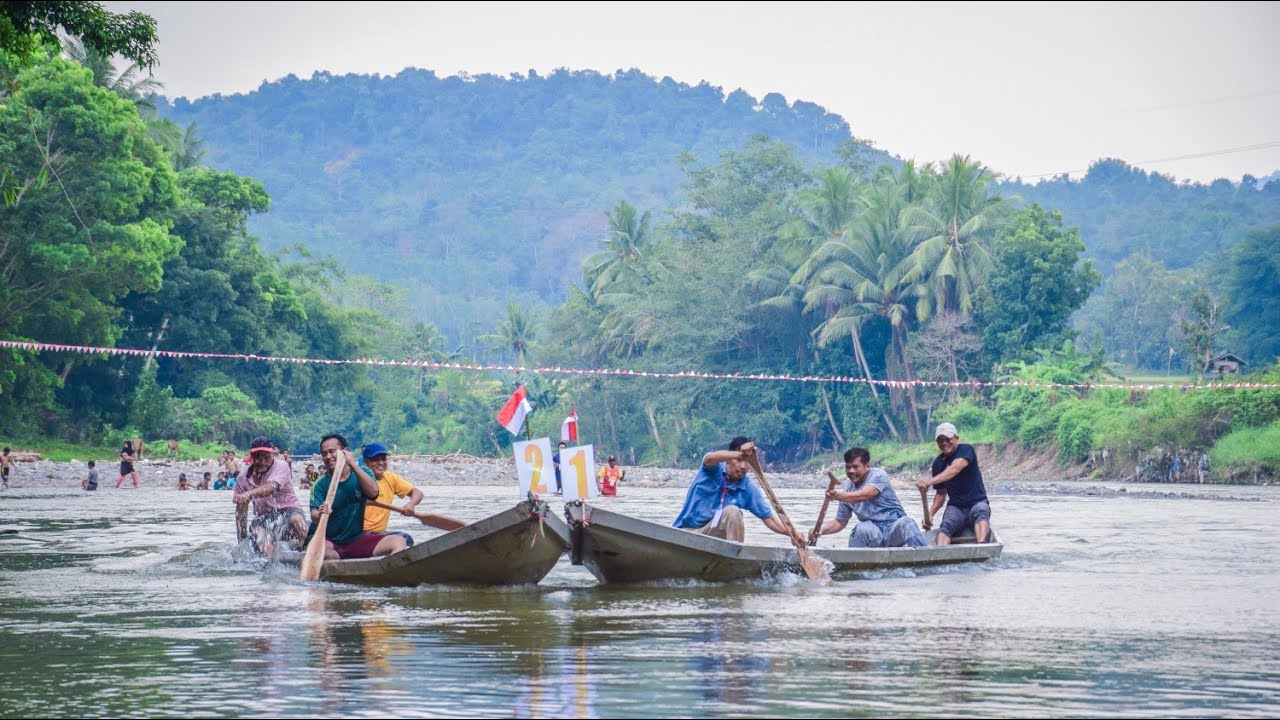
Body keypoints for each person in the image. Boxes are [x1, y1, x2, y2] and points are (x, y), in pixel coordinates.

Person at [306, 434, 408, 560]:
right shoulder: (320, 484)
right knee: (328, 554)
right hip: (328, 540)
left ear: (346, 452)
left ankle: (391, 570)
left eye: (332, 452)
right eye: (324, 454)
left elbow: (373, 493)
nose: (328, 457)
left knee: (399, 541)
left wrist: (352, 464)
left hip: (355, 540)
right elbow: (314, 515)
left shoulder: (363, 473)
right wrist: (321, 514)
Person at [672, 436, 790, 543]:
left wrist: (792, 534)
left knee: (733, 512)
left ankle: (733, 558)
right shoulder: (712, 470)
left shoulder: (748, 488)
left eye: (747, 462)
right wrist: (738, 454)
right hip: (686, 532)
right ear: (728, 459)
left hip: (712, 536)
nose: (743, 466)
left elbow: (770, 519)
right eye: (739, 461)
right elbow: (709, 458)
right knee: (732, 511)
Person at [809, 447, 927, 548]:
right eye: (848, 467)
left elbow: (864, 494)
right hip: (874, 532)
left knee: (907, 522)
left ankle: (924, 557)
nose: (851, 471)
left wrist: (838, 496)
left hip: (894, 529)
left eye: (855, 467)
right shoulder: (848, 490)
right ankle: (853, 564)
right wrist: (820, 531)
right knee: (858, 530)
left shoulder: (878, 475)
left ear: (867, 466)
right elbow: (840, 521)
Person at [917, 423, 991, 545]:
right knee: (945, 526)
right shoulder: (938, 464)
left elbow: (954, 469)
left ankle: (982, 546)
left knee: (982, 512)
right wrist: (930, 515)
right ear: (937, 443)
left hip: (977, 502)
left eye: (948, 439)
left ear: (956, 438)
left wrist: (929, 482)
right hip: (956, 507)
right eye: (941, 440)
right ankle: (940, 553)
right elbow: (941, 494)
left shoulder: (966, 450)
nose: (944, 442)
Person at [233, 436, 308, 556]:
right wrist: (241, 541)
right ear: (252, 457)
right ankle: (269, 560)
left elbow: (271, 486)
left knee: (297, 521)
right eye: (258, 456)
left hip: (289, 510)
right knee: (259, 535)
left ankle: (309, 553)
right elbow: (241, 512)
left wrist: (248, 494)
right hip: (263, 517)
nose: (262, 461)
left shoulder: (281, 466)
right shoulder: (243, 477)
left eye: (266, 456)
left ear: (273, 454)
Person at [359, 442, 421, 546]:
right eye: (376, 459)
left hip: (379, 534)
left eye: (383, 459)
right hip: (358, 534)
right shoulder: (357, 479)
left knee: (407, 539)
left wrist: (411, 504)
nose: (381, 463)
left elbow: (417, 493)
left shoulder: (390, 478)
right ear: (366, 463)